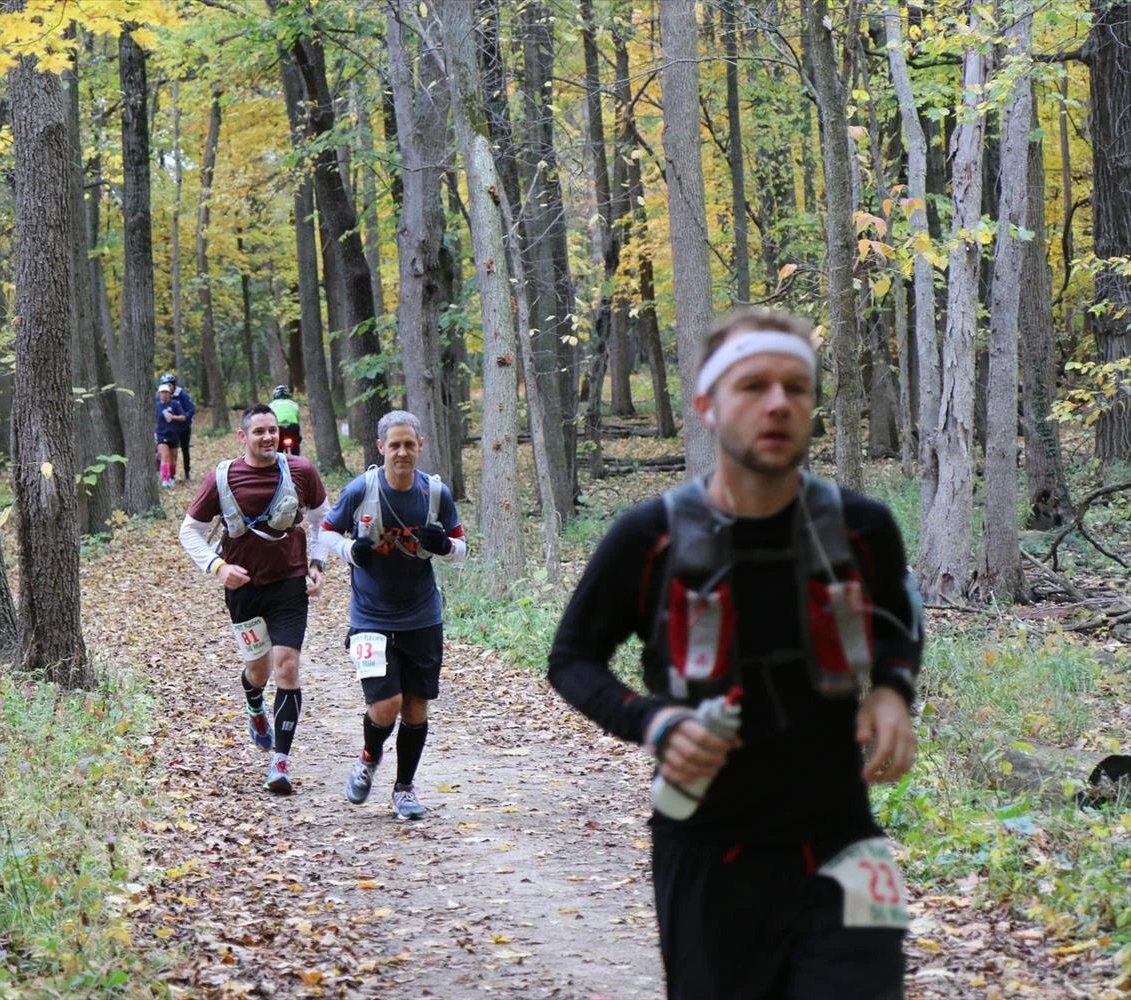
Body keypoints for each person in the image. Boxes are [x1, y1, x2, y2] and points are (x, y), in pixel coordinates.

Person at [547, 309, 924, 1000]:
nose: (778, 402)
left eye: (797, 387)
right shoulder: (649, 537)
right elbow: (572, 658)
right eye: (753, 386)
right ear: (707, 407)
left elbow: (900, 623)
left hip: (845, 843)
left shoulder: (863, 528)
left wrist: (893, 689)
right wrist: (654, 722)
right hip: (708, 855)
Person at [319, 411, 465, 821]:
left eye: (409, 444)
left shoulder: (435, 494)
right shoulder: (361, 489)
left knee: (416, 708)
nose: (402, 452)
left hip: (422, 616)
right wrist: (350, 551)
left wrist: (445, 547)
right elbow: (326, 531)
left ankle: (404, 790)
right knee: (386, 706)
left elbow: (461, 548)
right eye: (394, 445)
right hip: (370, 616)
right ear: (380, 448)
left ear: (421, 446)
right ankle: (368, 758)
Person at [178, 403, 331, 794]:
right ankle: (254, 704)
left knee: (288, 668)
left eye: (272, 430)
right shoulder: (223, 478)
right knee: (259, 672)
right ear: (242, 437)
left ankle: (280, 764)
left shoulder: (301, 471)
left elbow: (321, 520)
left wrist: (317, 564)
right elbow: (189, 531)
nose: (268, 437)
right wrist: (218, 568)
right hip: (243, 590)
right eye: (259, 431)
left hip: (289, 585)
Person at [154, 382, 187, 488]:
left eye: (165, 392)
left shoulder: (175, 404)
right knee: (165, 456)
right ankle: (164, 479)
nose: (163, 395)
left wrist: (173, 417)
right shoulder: (157, 406)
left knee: (173, 457)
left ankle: (172, 477)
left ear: (169, 394)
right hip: (161, 434)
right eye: (161, 393)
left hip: (173, 434)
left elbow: (183, 417)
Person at [166, 373, 197, 481]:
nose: (168, 388)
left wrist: (184, 417)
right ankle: (171, 475)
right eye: (165, 385)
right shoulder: (162, 396)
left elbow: (191, 409)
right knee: (171, 452)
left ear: (174, 385)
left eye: (169, 385)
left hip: (183, 428)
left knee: (185, 450)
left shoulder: (182, 394)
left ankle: (187, 472)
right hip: (170, 430)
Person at [269, 384, 302, 456]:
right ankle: (297, 459)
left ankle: (278, 460)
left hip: (279, 428)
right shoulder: (293, 404)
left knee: (278, 447)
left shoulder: (271, 405)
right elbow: (299, 419)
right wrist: (299, 435)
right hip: (293, 427)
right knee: (296, 444)